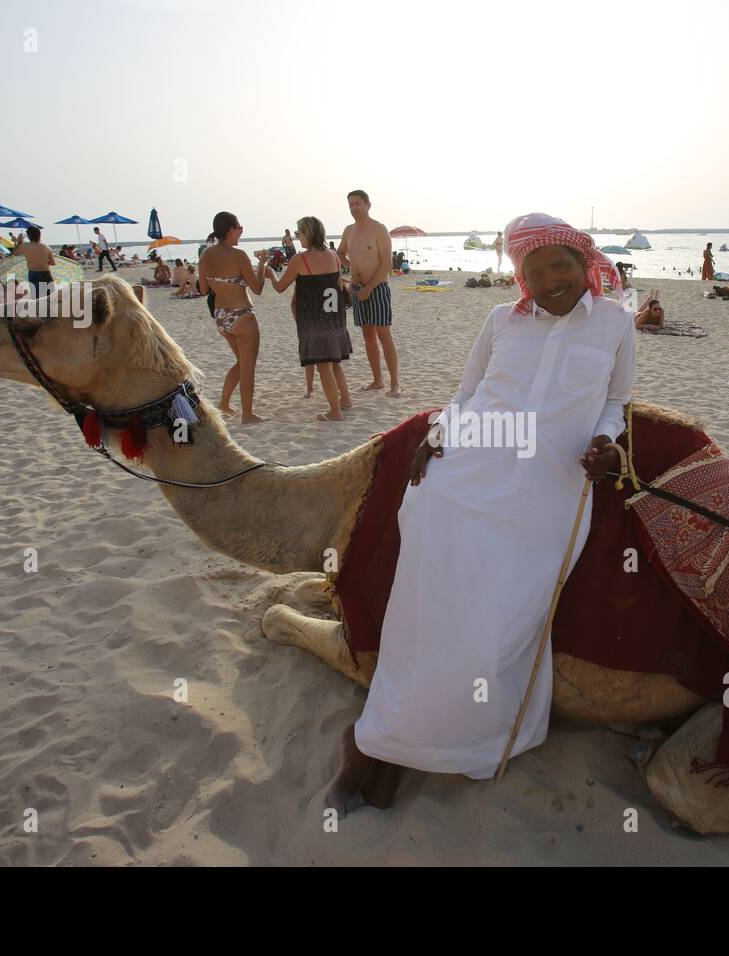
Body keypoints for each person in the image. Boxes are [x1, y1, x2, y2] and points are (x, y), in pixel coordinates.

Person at [327, 212, 634, 813]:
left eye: (561, 266)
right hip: (465, 477)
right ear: (519, 276)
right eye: (535, 270)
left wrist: (607, 442)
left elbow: (616, 400)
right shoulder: (500, 321)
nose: (551, 281)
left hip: (548, 493)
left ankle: (412, 747)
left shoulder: (617, 323)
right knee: (427, 617)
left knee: (494, 633)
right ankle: (379, 746)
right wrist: (439, 433)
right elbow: (467, 395)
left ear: (583, 263)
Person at [268, 216, 355, 422]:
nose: (298, 238)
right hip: (335, 318)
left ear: (309, 233)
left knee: (324, 366)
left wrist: (270, 274)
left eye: (299, 233)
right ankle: (346, 401)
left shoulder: (301, 259)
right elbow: (338, 286)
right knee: (335, 362)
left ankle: (335, 411)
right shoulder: (334, 256)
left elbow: (280, 287)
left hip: (315, 320)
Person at [198, 211, 268, 424]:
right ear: (230, 231)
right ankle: (247, 414)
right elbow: (257, 288)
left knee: (240, 362)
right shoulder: (238, 255)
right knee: (248, 368)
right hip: (242, 315)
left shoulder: (205, 255)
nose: (241, 231)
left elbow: (203, 290)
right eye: (239, 228)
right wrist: (262, 265)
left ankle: (224, 404)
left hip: (221, 316)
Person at [337, 189, 400, 396]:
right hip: (357, 288)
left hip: (378, 288)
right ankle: (377, 380)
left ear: (367, 205)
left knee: (384, 334)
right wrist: (351, 269)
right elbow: (340, 253)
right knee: (368, 335)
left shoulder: (379, 229)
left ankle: (394, 384)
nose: (354, 207)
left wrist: (370, 287)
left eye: (358, 203)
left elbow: (386, 264)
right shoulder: (349, 231)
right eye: (351, 204)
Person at [12, 225, 56, 298]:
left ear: (29, 236)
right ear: (39, 235)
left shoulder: (25, 246)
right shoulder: (47, 247)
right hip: (46, 274)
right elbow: (53, 263)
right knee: (50, 299)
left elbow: (15, 253)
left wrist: (18, 242)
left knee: (37, 300)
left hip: (34, 275)